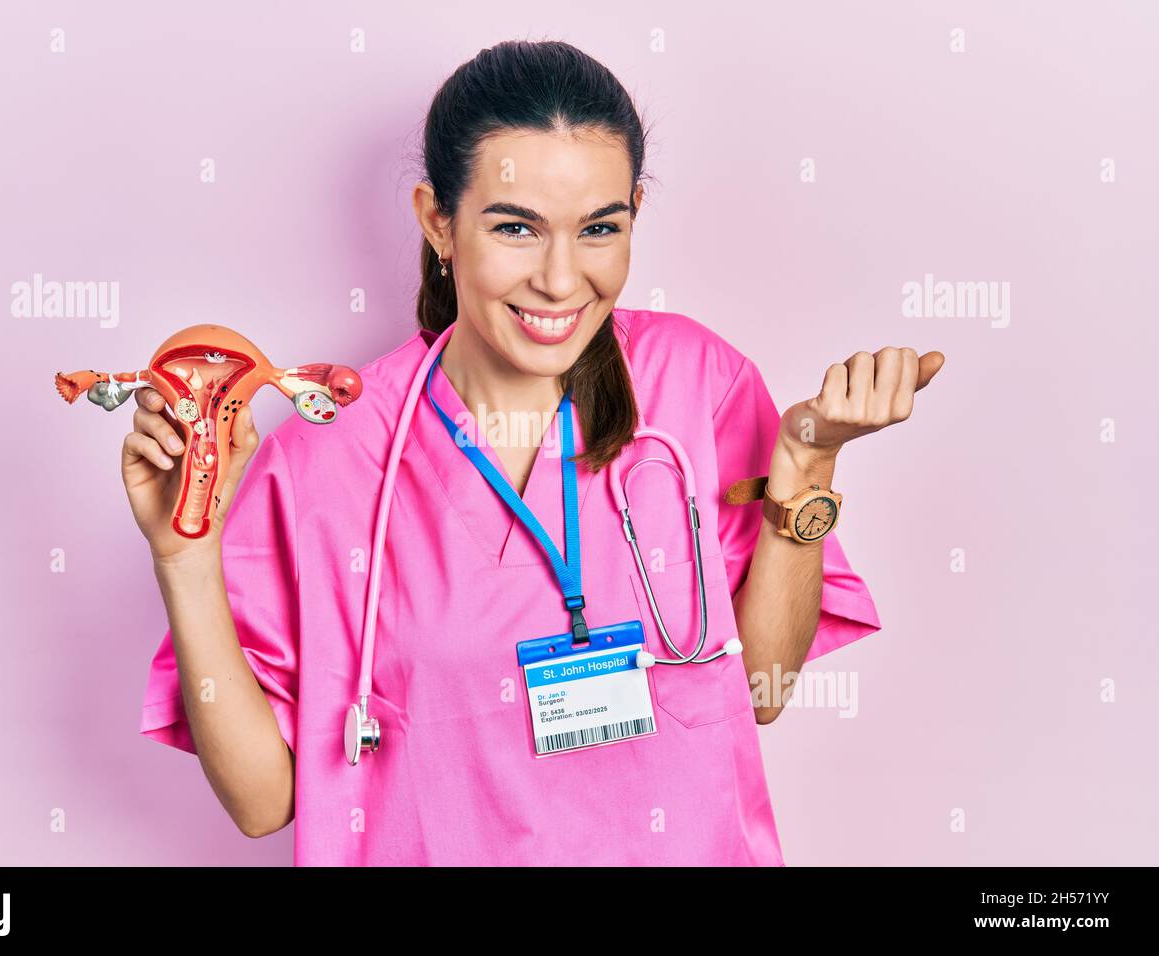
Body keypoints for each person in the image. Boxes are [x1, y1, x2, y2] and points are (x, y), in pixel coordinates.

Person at [127, 40, 944, 865]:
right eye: (516, 227)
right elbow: (266, 803)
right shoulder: (328, 455)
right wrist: (184, 557)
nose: (560, 280)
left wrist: (805, 466)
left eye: (599, 228)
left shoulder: (697, 383)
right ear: (437, 220)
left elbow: (759, 685)